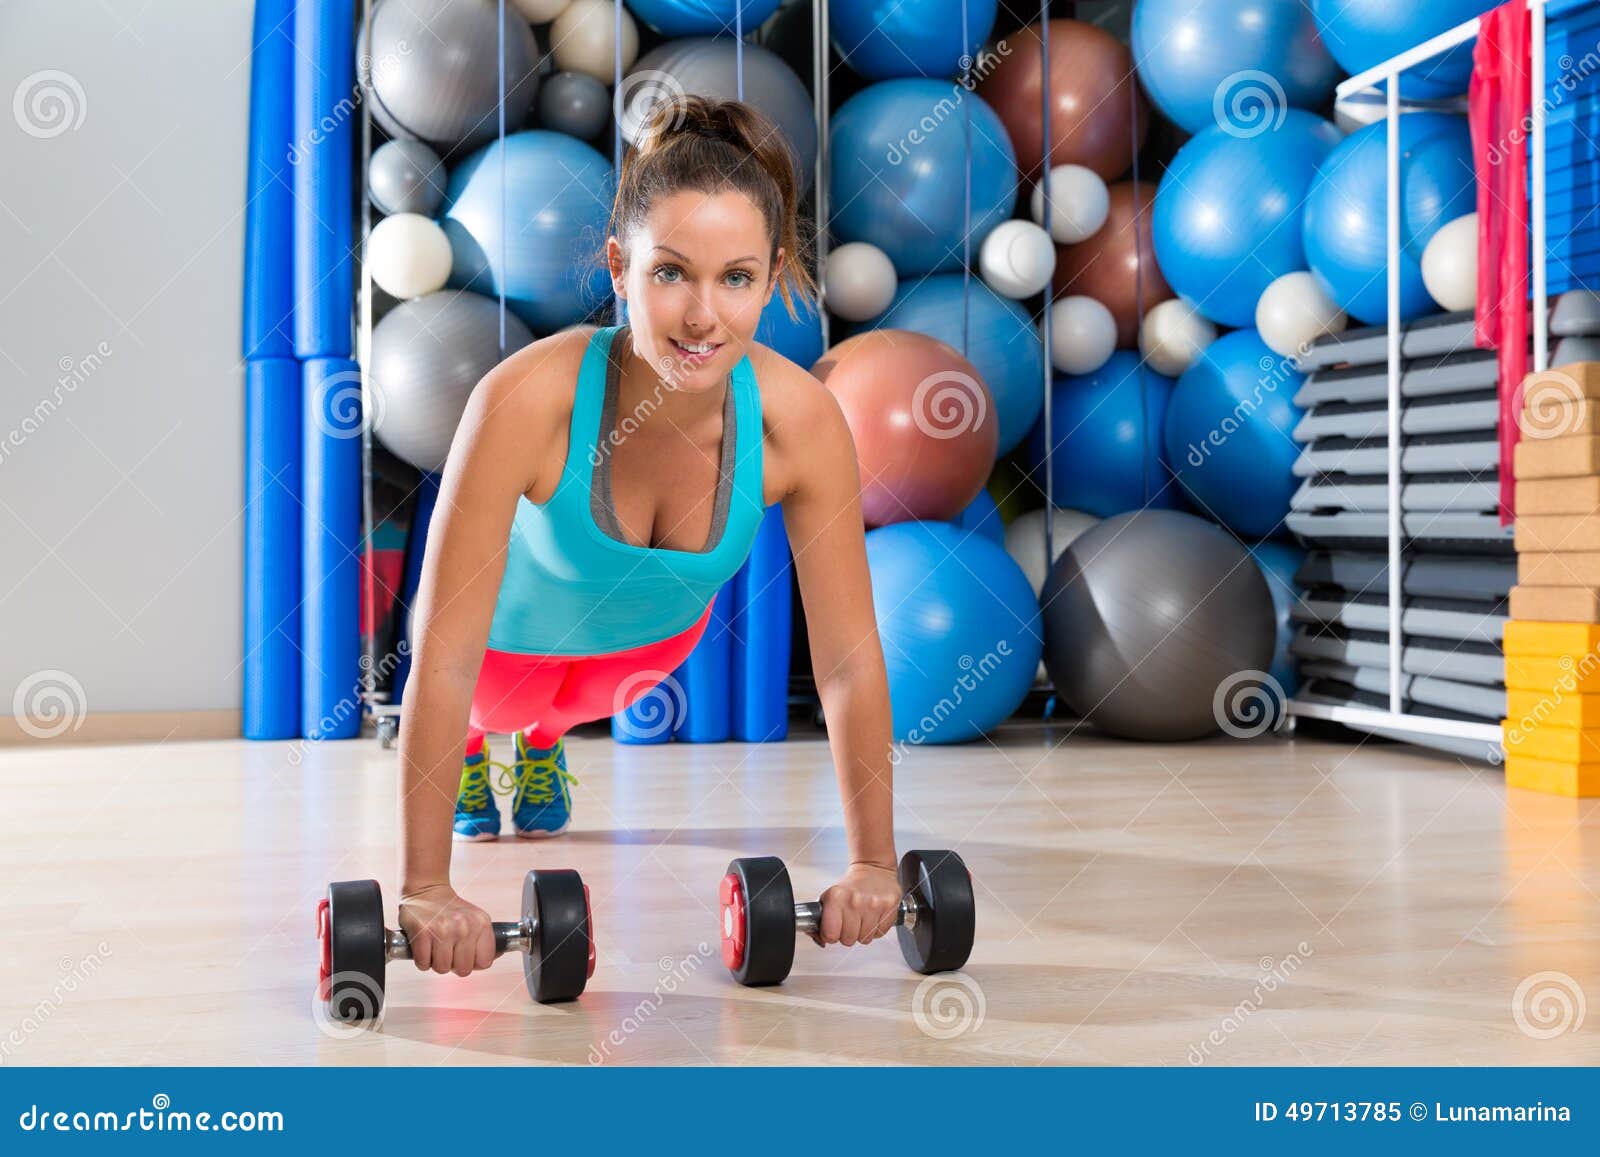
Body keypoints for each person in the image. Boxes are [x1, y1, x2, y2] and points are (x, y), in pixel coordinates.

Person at [395, 96, 905, 980]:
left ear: (774, 273)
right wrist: (424, 884)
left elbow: (849, 661)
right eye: (671, 272)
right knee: (496, 708)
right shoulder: (526, 397)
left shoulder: (801, 421)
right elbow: (440, 650)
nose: (704, 314)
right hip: (498, 661)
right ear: (619, 264)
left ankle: (543, 748)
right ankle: (491, 747)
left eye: (737, 278)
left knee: (553, 716)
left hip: (643, 661)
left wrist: (875, 865)